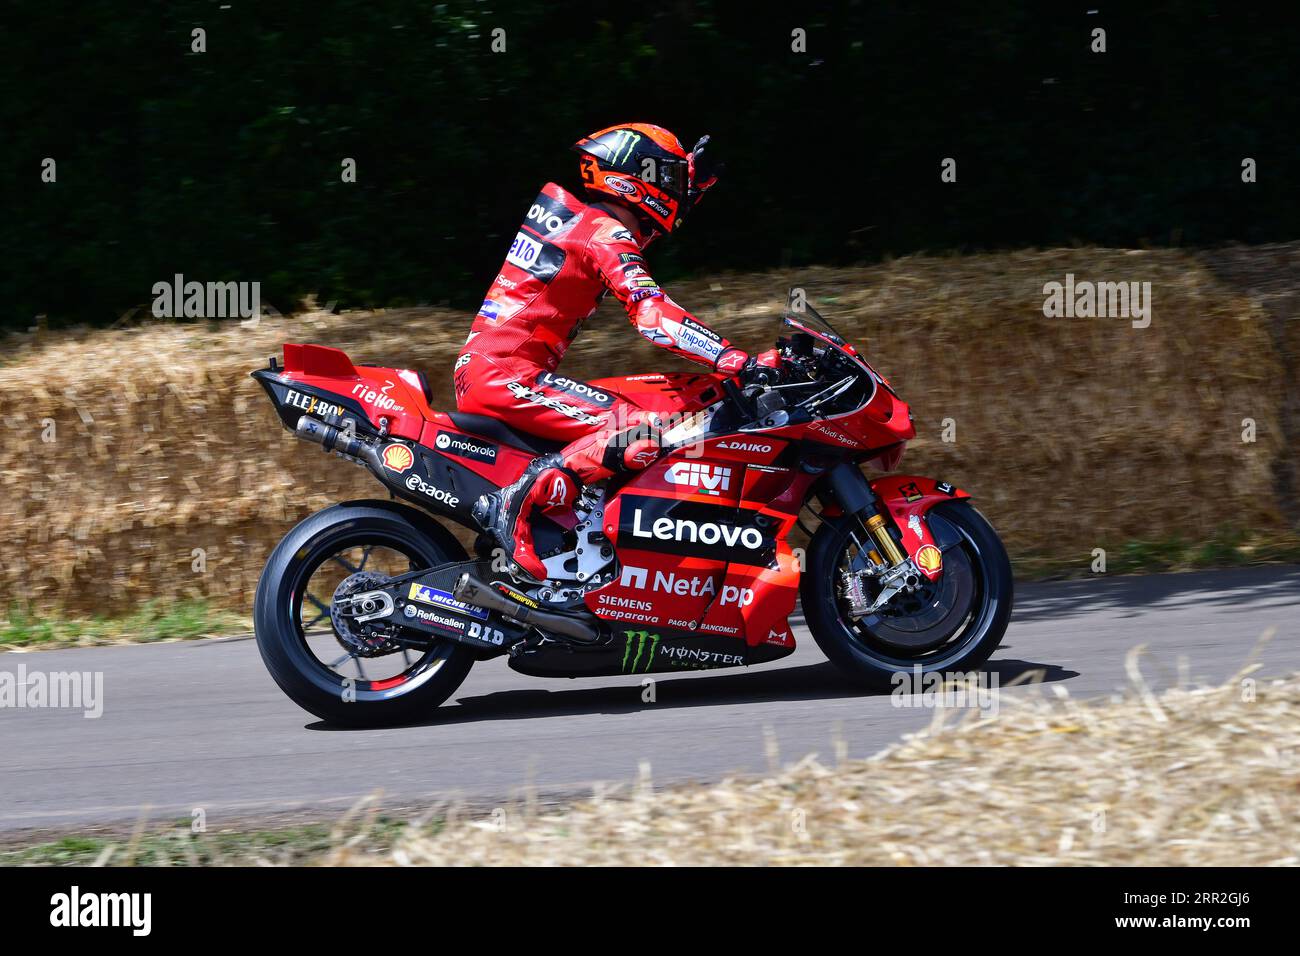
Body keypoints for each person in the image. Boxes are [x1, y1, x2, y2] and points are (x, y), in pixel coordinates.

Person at [456, 123, 753, 582]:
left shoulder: (593, 225)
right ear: (636, 178)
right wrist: (733, 358)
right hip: (507, 376)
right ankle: (514, 506)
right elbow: (653, 316)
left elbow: (639, 239)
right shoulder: (604, 233)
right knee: (635, 429)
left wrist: (696, 184)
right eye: (669, 177)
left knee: (647, 416)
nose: (676, 189)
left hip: (498, 370)